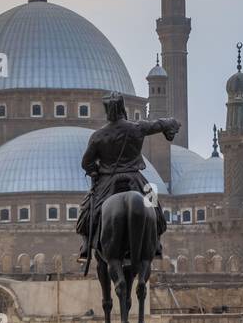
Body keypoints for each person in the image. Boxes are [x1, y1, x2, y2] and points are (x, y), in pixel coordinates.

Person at [75, 91, 178, 263]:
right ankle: (157, 245)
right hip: (135, 179)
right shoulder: (137, 127)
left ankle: (85, 247)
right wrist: (172, 125)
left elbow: (86, 163)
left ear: (107, 111)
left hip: (107, 181)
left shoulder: (98, 136)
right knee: (155, 207)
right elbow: (162, 124)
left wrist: (95, 171)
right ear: (123, 108)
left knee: (87, 210)